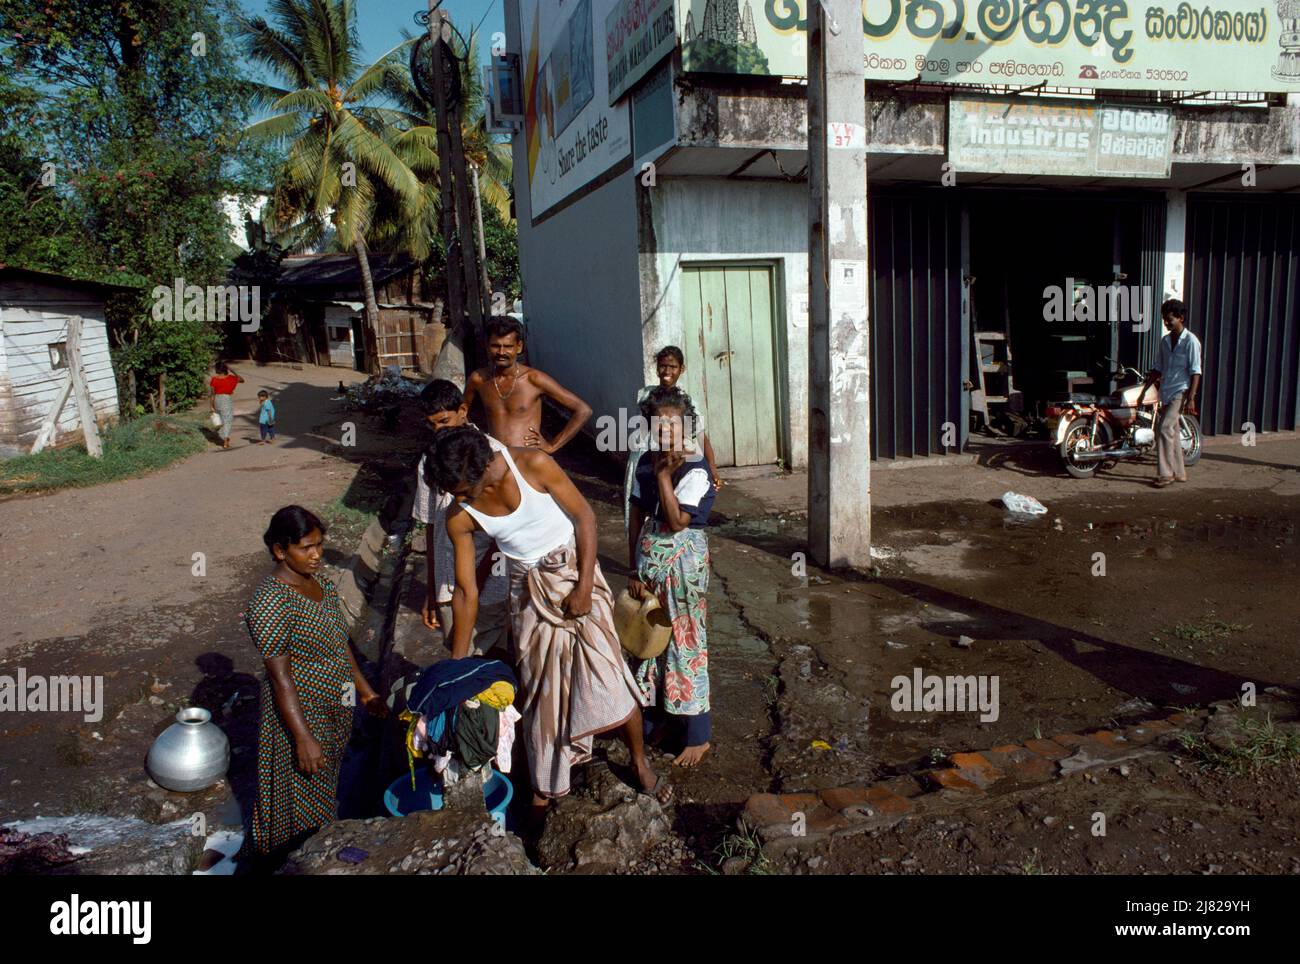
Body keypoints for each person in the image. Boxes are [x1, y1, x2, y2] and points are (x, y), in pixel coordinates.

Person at [428, 426, 671, 824]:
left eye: (465, 489)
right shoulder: (459, 517)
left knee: (610, 677)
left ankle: (640, 762)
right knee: (543, 697)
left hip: (577, 576)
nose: (461, 499)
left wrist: (585, 586)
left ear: (486, 465)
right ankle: (543, 787)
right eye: (455, 493)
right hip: (529, 599)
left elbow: (584, 517)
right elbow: (466, 592)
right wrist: (457, 667)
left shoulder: (533, 464)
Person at [245, 505, 387, 861]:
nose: (317, 554)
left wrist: (366, 693)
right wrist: (303, 737)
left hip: (334, 707)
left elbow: (341, 644)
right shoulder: (270, 602)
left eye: (319, 544)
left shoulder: (319, 583)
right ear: (280, 550)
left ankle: (320, 850)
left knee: (325, 786)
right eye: (306, 547)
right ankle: (287, 859)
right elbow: (280, 678)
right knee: (298, 794)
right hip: (301, 715)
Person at [626, 386, 717, 767]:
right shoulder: (644, 461)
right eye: (657, 424)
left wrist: (664, 477)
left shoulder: (696, 467)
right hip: (651, 560)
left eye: (672, 423)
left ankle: (698, 735)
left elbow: (678, 521)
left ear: (687, 425)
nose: (665, 430)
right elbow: (636, 513)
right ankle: (659, 720)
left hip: (683, 565)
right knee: (651, 642)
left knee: (685, 641)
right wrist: (634, 566)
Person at [412, 379, 510, 658]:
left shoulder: (492, 455)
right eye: (432, 425)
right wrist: (432, 591)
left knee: (483, 659)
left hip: (490, 583)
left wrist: (474, 587)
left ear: (463, 410)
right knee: (458, 650)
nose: (438, 430)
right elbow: (431, 526)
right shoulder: (429, 460)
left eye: (444, 421)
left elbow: (502, 529)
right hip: (448, 583)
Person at [623, 346, 722, 538]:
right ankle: (637, 556)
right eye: (662, 366)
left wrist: (712, 467)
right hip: (646, 455)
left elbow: (700, 433)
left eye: (673, 367)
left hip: (671, 458)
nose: (667, 372)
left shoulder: (685, 401)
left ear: (681, 369)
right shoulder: (645, 395)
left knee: (670, 505)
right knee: (637, 508)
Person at [462, 317, 592, 453]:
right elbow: (460, 413)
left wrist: (552, 446)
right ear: (487, 346)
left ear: (519, 347)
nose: (501, 352)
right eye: (495, 346)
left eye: (508, 346)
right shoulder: (479, 379)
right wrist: (476, 438)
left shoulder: (533, 379)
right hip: (496, 458)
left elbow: (583, 410)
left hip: (529, 460)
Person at [1138, 298, 1202, 488]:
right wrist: (1144, 390)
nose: (1166, 323)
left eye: (1170, 320)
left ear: (1181, 318)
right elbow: (1158, 368)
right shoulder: (1165, 341)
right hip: (1166, 391)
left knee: (1164, 428)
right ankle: (1180, 472)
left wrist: (1191, 398)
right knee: (1169, 430)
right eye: (1164, 320)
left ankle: (1165, 474)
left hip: (1181, 391)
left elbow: (1196, 371)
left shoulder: (1191, 341)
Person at [208, 361, 244, 449]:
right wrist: (232, 370)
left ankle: (223, 436)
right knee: (227, 419)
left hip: (217, 399)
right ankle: (226, 439)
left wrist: (212, 406)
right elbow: (242, 380)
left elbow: (212, 394)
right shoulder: (231, 378)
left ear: (217, 369)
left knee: (220, 419)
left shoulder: (214, 379)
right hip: (226, 399)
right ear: (226, 369)